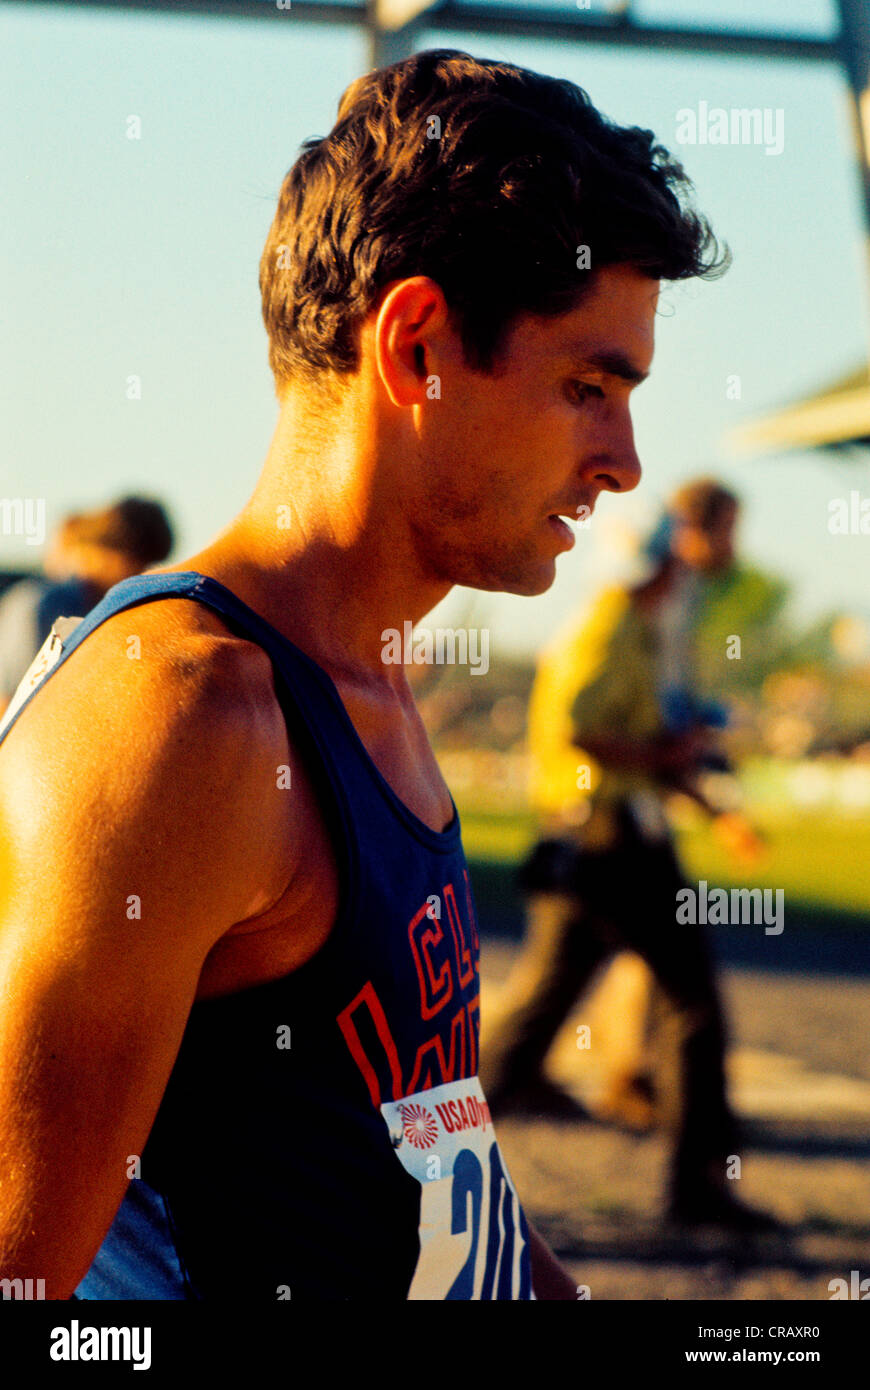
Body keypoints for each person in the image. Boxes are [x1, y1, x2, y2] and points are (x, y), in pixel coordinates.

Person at [0, 50, 725, 1300]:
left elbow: (428, 1166)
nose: (624, 461)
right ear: (418, 346)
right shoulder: (190, 715)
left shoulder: (365, 681)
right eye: (587, 386)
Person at [480, 480, 776, 1230]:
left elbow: (644, 745)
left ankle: (408, 1176)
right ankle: (698, 1191)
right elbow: (579, 730)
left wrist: (710, 805)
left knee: (540, 1015)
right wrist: (663, 755)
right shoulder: (613, 625)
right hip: (610, 841)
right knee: (690, 1005)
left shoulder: (639, 626)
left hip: (605, 839)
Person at [0, 497, 174, 718]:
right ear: (103, 552)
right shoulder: (38, 606)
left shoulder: (120, 611)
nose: (143, 574)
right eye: (136, 563)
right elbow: (7, 704)